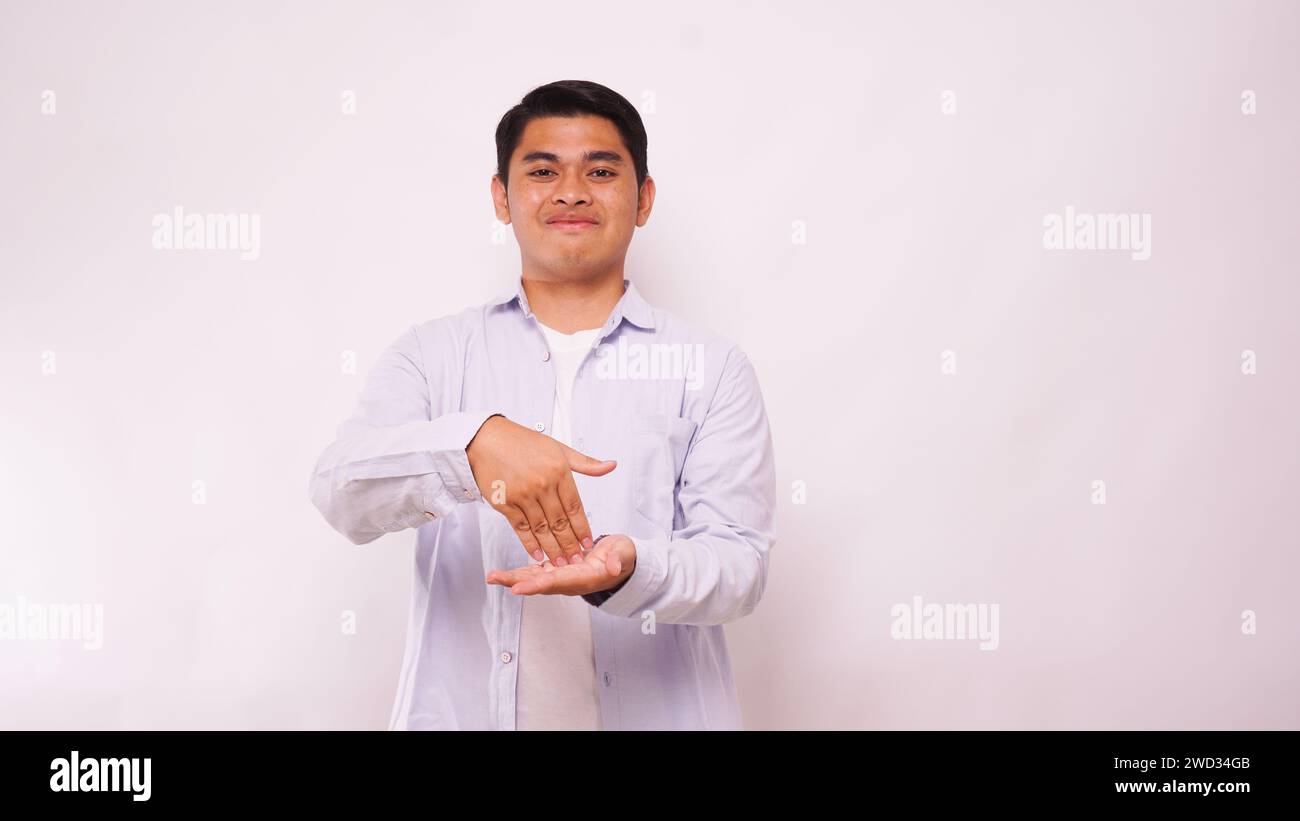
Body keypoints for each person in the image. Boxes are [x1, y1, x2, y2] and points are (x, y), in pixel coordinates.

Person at [307, 80, 776, 730]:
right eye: (543, 170)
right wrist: (471, 447)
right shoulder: (434, 353)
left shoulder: (711, 368)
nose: (572, 191)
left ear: (643, 199)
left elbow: (739, 566)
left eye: (602, 170)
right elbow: (340, 490)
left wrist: (628, 567)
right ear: (502, 196)